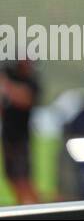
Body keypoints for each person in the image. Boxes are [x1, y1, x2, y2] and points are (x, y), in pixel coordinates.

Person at [1, 60, 41, 205]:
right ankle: (24, 205)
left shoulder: (31, 82)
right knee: (12, 177)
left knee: (23, 178)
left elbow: (24, 99)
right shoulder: (12, 77)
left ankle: (33, 206)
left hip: (20, 138)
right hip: (8, 137)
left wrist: (5, 83)